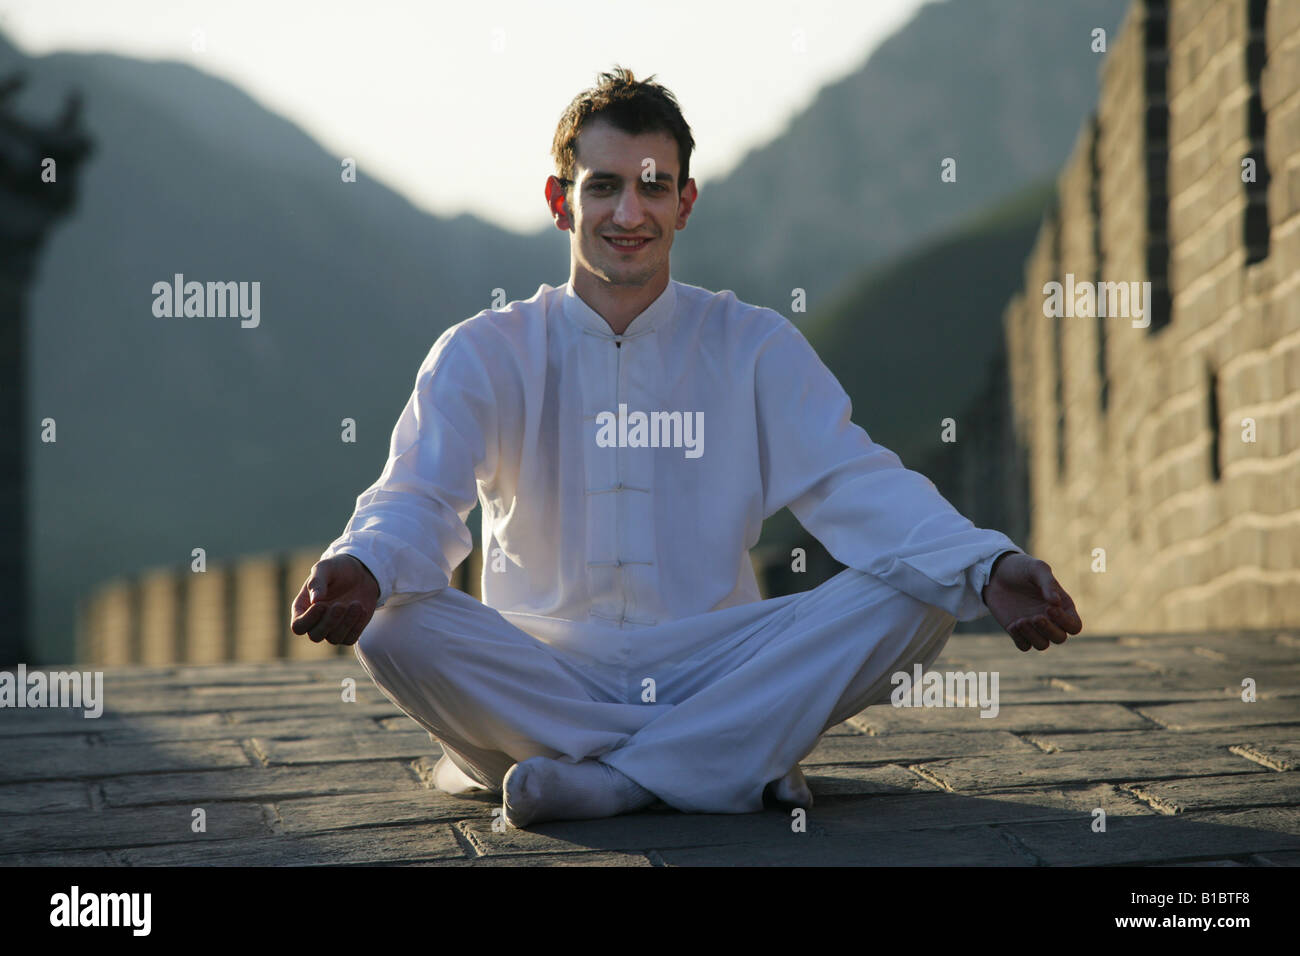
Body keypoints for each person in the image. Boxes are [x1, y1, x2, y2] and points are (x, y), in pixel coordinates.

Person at [289, 66, 1083, 829]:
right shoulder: (484, 350)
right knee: (394, 626)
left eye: (652, 186)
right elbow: (418, 498)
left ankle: (605, 782)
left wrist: (984, 563)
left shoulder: (752, 344)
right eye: (603, 185)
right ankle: (717, 763)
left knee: (921, 593)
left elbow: (853, 482)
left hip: (716, 666)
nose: (628, 212)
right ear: (560, 201)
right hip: (545, 665)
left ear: (685, 202)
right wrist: (366, 561)